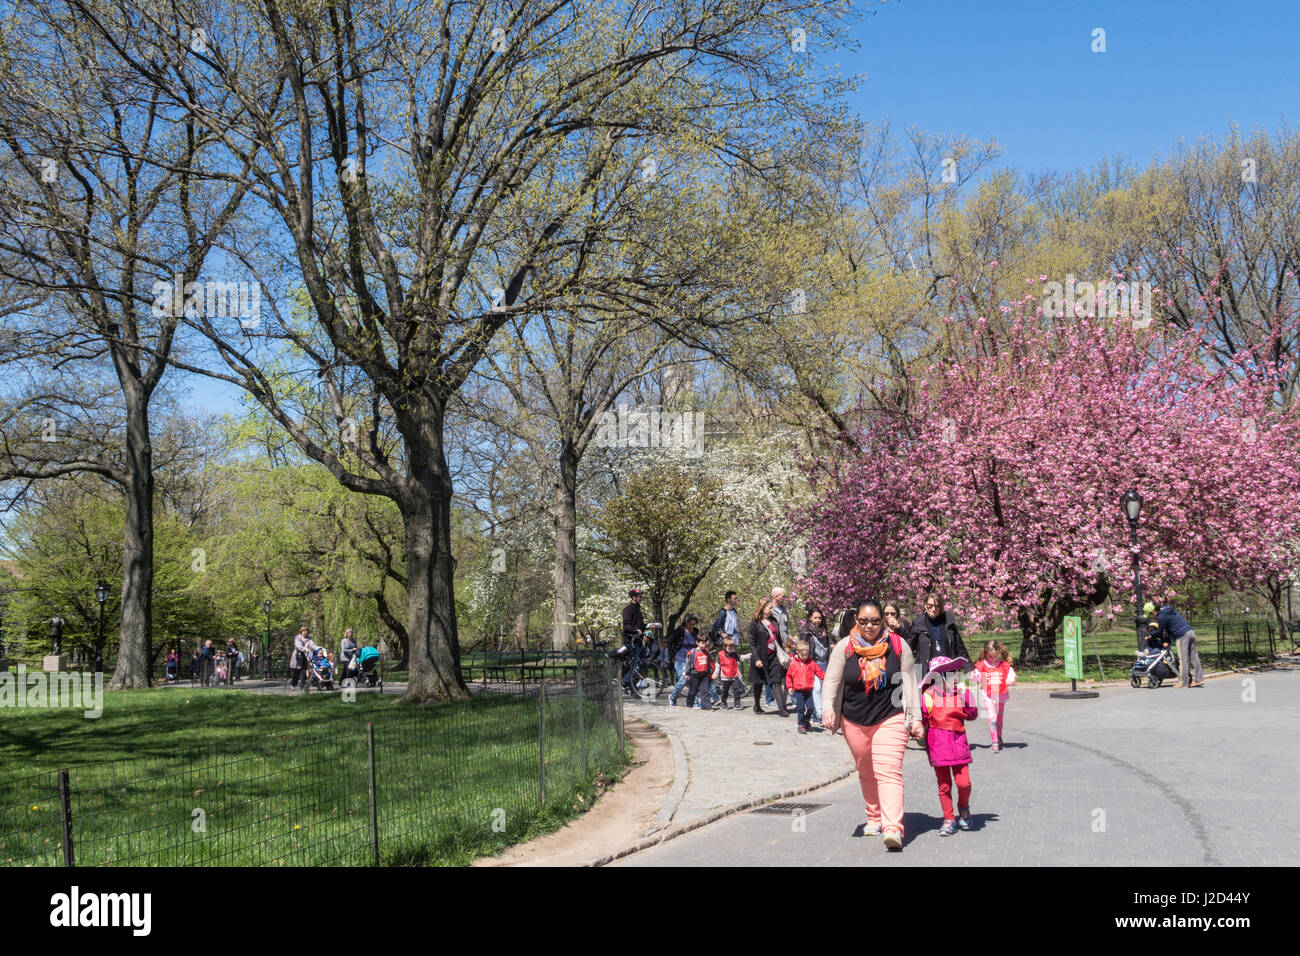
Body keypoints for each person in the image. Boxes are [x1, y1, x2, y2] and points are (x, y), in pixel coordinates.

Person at [822, 599, 923, 850]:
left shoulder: (898, 646)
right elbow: (831, 681)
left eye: (875, 621)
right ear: (856, 620)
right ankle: (874, 816)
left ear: (883, 621)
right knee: (866, 770)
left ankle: (892, 828)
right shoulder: (845, 648)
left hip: (891, 715)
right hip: (854, 719)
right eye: (864, 621)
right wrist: (826, 709)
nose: (869, 626)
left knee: (888, 771)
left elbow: (910, 683)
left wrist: (916, 717)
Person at [920, 655, 978, 836]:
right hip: (938, 747)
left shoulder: (960, 694)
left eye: (955, 673)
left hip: (959, 745)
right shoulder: (928, 696)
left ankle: (964, 807)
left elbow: (972, 714)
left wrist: (967, 694)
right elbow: (921, 719)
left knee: (964, 783)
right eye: (948, 674)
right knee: (944, 786)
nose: (954, 677)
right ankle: (949, 819)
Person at [913, 593, 973, 678]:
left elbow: (960, 649)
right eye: (930, 605)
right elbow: (908, 646)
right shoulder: (918, 623)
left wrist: (969, 669)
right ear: (925, 605)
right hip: (925, 673)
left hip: (948, 673)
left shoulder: (948, 622)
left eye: (937, 606)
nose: (933, 609)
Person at [973, 640, 1017, 753]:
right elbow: (975, 675)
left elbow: (1011, 675)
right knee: (992, 717)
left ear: (999, 652)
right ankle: (994, 741)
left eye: (995, 656)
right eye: (990, 656)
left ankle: (999, 736)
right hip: (988, 695)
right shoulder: (982, 665)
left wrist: (1010, 680)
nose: (993, 658)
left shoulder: (1004, 665)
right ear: (986, 653)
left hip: (1001, 694)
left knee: (999, 718)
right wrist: (974, 677)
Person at [748, 597, 789, 716]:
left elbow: (779, 639)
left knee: (776, 681)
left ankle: (781, 709)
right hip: (761, 657)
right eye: (770, 607)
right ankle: (757, 705)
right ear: (763, 608)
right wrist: (757, 659)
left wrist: (783, 651)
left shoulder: (774, 621)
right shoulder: (755, 624)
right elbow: (752, 643)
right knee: (759, 683)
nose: (772, 610)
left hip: (773, 657)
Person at [1154, 593, 1203, 687]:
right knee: (1194, 657)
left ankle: (1183, 682)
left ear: (1154, 612)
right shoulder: (1170, 611)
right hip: (1190, 631)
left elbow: (1160, 631)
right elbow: (1168, 627)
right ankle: (1198, 679)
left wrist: (1151, 634)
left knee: (1183, 659)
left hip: (1181, 636)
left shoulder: (1161, 616)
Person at [785, 641, 825, 734]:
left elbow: (819, 672)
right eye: (802, 655)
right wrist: (789, 686)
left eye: (806, 655)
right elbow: (789, 676)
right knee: (801, 708)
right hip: (798, 690)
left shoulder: (811, 663)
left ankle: (806, 720)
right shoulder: (794, 663)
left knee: (811, 707)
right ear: (798, 653)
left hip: (808, 690)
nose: (804, 657)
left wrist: (826, 678)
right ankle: (800, 724)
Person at [800, 609, 831, 724]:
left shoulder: (824, 631)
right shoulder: (806, 632)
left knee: (824, 689)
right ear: (810, 618)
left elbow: (827, 646)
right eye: (815, 618)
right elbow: (802, 648)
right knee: (816, 688)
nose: (817, 620)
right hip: (813, 663)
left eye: (819, 618)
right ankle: (818, 714)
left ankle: (819, 712)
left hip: (824, 662)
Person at [668, 615, 702, 706]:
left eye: (694, 624)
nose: (692, 626)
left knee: (693, 681)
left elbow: (699, 643)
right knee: (683, 680)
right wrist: (672, 656)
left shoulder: (695, 632)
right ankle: (673, 697)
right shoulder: (680, 631)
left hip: (692, 660)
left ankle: (693, 701)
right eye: (690, 624)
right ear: (686, 622)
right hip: (680, 659)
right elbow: (669, 642)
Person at [621, 588, 647, 690]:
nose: (641, 598)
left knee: (642, 662)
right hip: (630, 640)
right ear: (633, 597)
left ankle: (635, 685)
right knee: (635, 663)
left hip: (638, 640)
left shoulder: (638, 610)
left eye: (641, 596)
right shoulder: (628, 609)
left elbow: (640, 626)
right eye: (639, 596)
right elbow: (626, 627)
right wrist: (636, 630)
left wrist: (648, 626)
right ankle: (625, 681)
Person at [714, 637, 746, 709]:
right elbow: (718, 665)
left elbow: (741, 658)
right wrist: (716, 673)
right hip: (724, 677)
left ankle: (737, 704)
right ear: (724, 647)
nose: (731, 650)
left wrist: (748, 656)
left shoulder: (734, 654)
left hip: (734, 676)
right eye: (729, 648)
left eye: (732, 648)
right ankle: (723, 703)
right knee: (725, 691)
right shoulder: (721, 655)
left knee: (736, 690)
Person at [685, 640, 713, 710]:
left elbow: (709, 663)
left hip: (704, 675)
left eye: (705, 643)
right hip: (695, 675)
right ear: (697, 643)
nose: (704, 645)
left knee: (705, 691)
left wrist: (710, 672)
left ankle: (706, 706)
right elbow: (688, 663)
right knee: (693, 691)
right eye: (702, 643)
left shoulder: (706, 652)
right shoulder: (693, 652)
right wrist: (687, 673)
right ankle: (689, 704)